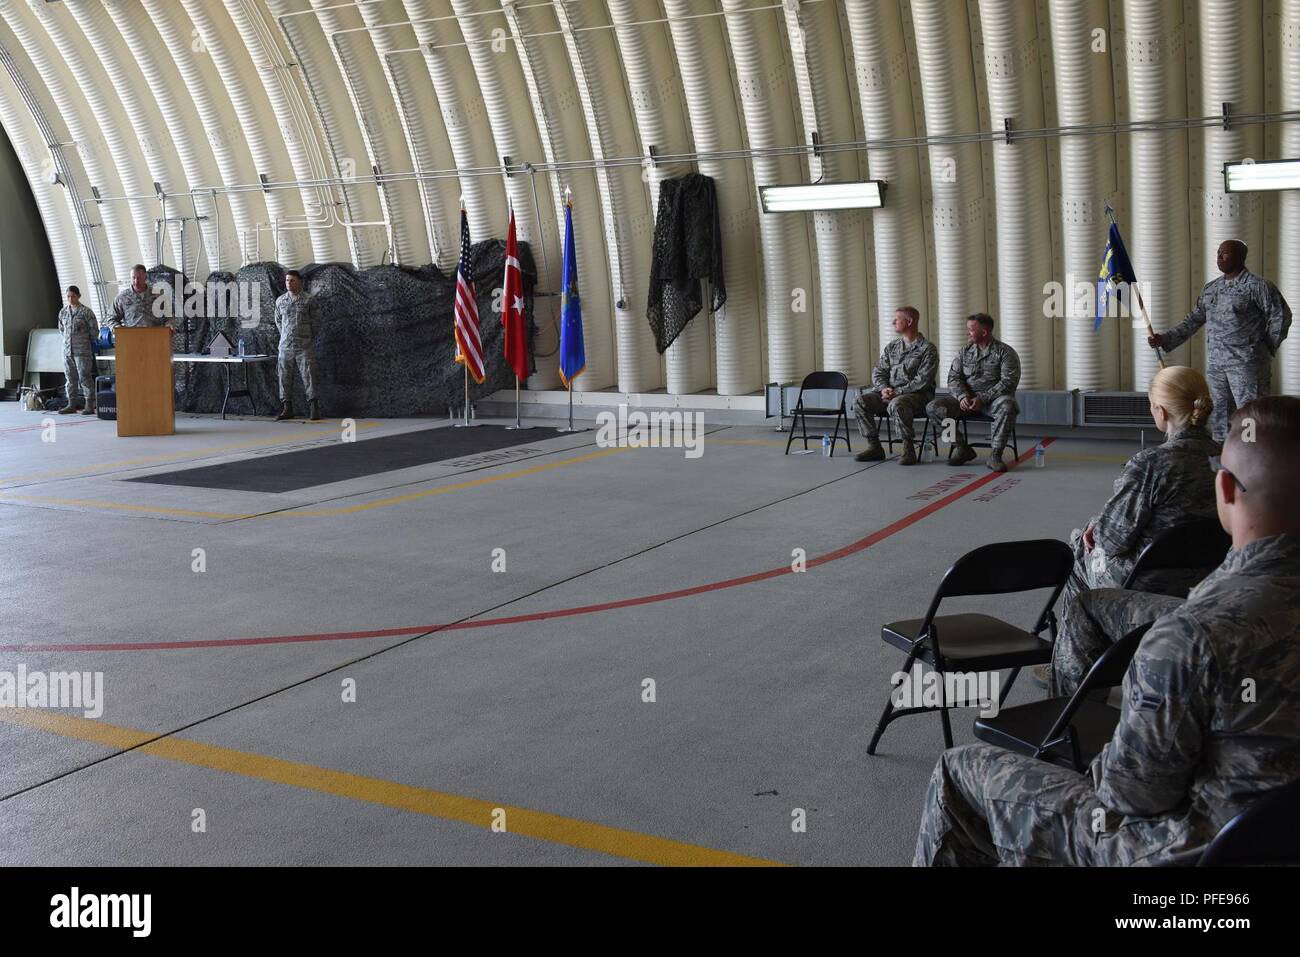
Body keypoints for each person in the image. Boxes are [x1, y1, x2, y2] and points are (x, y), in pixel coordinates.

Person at [914, 396, 1300, 866]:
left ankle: (1065, 744)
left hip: (1193, 848)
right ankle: (1068, 721)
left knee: (957, 773)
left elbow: (1131, 796)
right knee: (1093, 606)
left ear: (1225, 489)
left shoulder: (1190, 636)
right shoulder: (1197, 630)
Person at [1060, 366, 1220, 610]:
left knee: (1077, 552)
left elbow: (1111, 541)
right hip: (1212, 577)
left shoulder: (1150, 464)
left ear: (1161, 412)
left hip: (1148, 583)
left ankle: (1087, 631)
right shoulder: (1228, 457)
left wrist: (1095, 525)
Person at [1148, 239, 1290, 442]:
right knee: (1219, 413)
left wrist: (1266, 347)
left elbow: (1281, 316)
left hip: (1247, 365)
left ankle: (1251, 452)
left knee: (1250, 412)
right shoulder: (1211, 289)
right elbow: (1193, 320)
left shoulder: (1258, 286)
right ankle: (1221, 453)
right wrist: (1165, 339)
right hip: (1217, 365)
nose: (1220, 257)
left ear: (1241, 257)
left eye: (1225, 253)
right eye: (1218, 253)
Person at [925, 313, 1021, 473]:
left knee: (1008, 406)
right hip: (966, 401)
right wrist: (962, 396)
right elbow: (953, 378)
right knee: (933, 408)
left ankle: (996, 455)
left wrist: (983, 398)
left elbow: (1008, 382)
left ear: (984, 332)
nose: (967, 333)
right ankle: (961, 447)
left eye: (971, 329)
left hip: (992, 401)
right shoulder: (964, 352)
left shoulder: (1005, 352)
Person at [852, 306, 939, 466]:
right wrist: (883, 388)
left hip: (917, 396)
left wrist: (897, 392)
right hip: (889, 393)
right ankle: (874, 447)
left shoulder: (928, 349)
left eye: (897, 319)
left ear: (909, 321)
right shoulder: (892, 347)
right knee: (860, 401)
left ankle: (908, 450)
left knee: (898, 403)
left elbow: (923, 380)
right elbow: (879, 371)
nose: (893, 322)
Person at [273, 269, 320, 421]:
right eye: (287, 280)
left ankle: (314, 407)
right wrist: (286, 335)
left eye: (292, 280)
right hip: (285, 346)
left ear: (300, 282)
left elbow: (316, 322)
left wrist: (306, 337)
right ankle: (287, 408)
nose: (289, 283)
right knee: (284, 377)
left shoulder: (309, 300)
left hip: (304, 346)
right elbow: (278, 322)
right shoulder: (280, 301)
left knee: (309, 376)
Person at [57, 285, 99, 415]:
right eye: (68, 296)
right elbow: (62, 330)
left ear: (79, 296)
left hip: (82, 352)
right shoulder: (63, 312)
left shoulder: (86, 312)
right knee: (70, 378)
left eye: (73, 296)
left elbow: (94, 332)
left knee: (84, 377)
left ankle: (89, 405)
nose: (71, 299)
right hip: (67, 351)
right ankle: (71, 404)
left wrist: (83, 341)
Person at [108, 264, 167, 330]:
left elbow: (169, 316)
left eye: (139, 278)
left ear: (145, 277)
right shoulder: (122, 297)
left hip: (155, 334)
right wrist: (118, 329)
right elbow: (111, 318)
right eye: (133, 278)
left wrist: (170, 325)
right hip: (132, 335)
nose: (136, 282)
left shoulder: (158, 295)